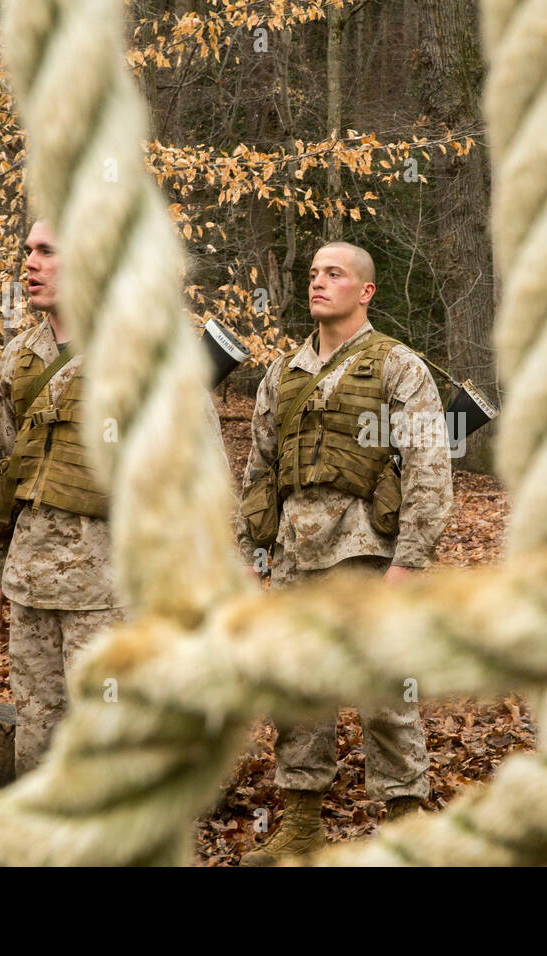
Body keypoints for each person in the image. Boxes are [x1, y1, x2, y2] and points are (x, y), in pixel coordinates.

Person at [0, 219, 225, 775]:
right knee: (38, 742)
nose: (30, 263)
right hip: (31, 587)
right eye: (28, 251)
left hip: (116, 590)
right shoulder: (20, 357)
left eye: (47, 252)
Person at [235, 241, 452, 865]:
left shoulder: (398, 367)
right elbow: (260, 468)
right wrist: (256, 550)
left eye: (335, 274)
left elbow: (429, 471)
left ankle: (407, 826)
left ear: (367, 291)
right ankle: (303, 825)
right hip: (296, 556)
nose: (319, 283)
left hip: (371, 555)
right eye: (313, 274)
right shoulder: (283, 374)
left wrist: (410, 561)